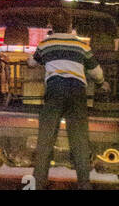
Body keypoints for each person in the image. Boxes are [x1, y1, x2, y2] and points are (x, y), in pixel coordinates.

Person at [31, 10, 106, 189]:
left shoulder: (45, 44)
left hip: (55, 90)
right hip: (77, 92)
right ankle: (84, 184)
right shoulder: (81, 46)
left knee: (46, 138)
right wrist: (103, 83)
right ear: (71, 25)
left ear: (51, 25)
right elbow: (96, 73)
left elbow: (32, 63)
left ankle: (39, 183)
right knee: (79, 139)